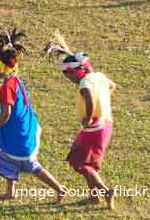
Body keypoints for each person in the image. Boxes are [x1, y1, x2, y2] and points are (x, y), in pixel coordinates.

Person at [0, 27, 65, 203]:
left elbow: (6, 112)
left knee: (30, 164)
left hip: (18, 133)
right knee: (7, 158)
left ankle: (59, 189)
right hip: (23, 126)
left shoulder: (7, 87)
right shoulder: (15, 79)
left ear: (0, 68)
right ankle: (10, 192)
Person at [45, 31, 117, 211]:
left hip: (94, 126)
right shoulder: (99, 76)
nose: (68, 79)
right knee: (90, 163)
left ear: (77, 71)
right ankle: (94, 198)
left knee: (79, 162)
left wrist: (88, 117)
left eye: (68, 75)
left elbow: (90, 98)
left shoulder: (85, 83)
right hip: (107, 124)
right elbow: (112, 85)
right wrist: (104, 101)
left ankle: (106, 192)